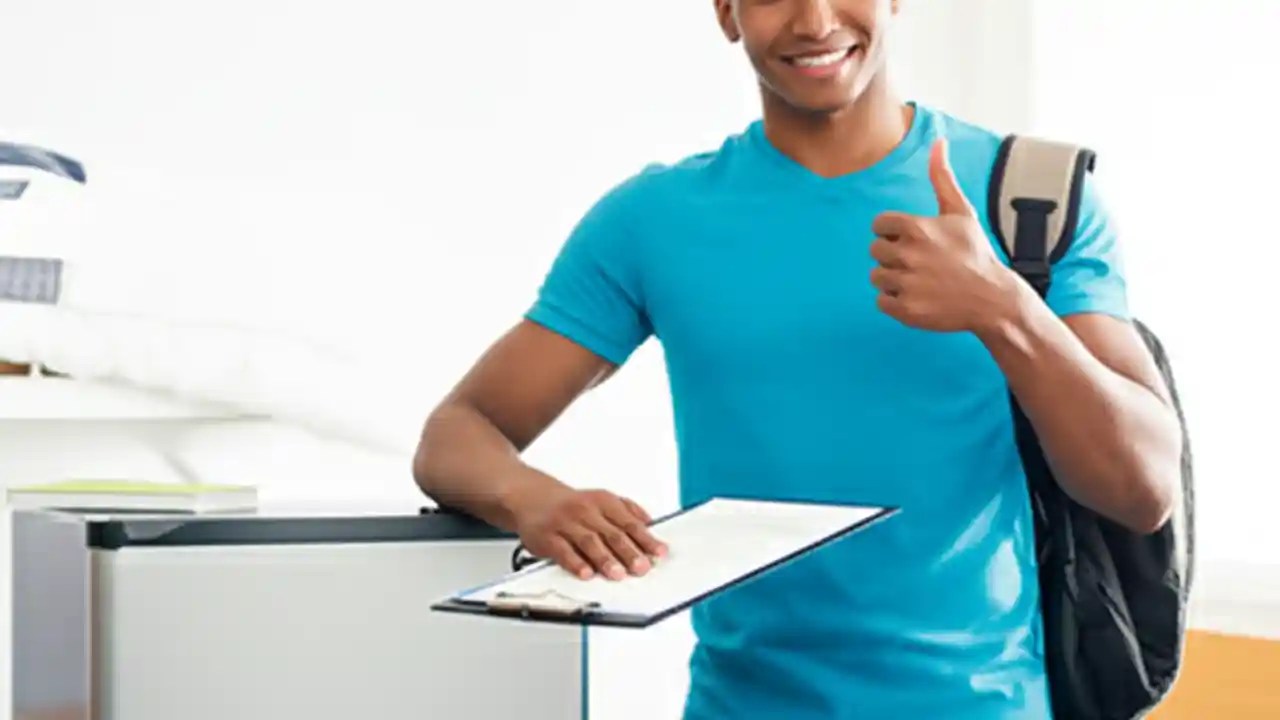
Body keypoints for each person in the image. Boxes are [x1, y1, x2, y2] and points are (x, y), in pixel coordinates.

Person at [412, 1, 1184, 717]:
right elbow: (457, 433)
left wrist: (1006, 308)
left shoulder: (1032, 200)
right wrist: (534, 501)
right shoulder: (652, 221)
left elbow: (1142, 490)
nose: (814, 20)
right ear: (726, 11)